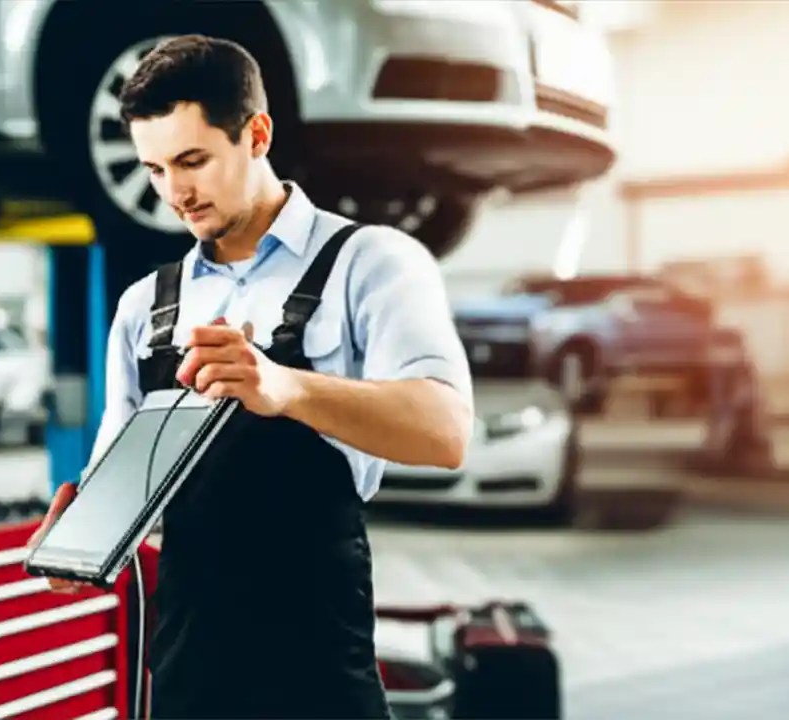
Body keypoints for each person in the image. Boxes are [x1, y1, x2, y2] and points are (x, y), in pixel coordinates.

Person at [27, 34, 473, 719]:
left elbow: (445, 432)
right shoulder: (145, 306)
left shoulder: (371, 263)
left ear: (256, 134)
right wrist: (83, 542)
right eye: (153, 169)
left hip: (317, 677)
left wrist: (286, 388)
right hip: (188, 677)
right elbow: (125, 490)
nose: (174, 191)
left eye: (193, 160)